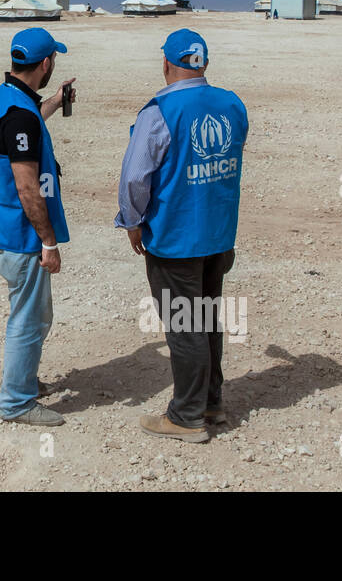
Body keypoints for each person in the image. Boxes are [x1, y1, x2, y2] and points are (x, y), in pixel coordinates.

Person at [114, 29, 248, 443]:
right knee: (207, 318)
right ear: (203, 63)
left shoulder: (160, 111)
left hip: (176, 237)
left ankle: (186, 416)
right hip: (218, 233)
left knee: (185, 324)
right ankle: (211, 402)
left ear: (167, 63)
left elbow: (136, 177)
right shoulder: (232, 104)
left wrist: (132, 220)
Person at [0, 27, 75, 426]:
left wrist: (55, 102)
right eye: (54, 61)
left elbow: (19, 131)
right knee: (30, 318)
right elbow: (28, 187)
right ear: (45, 64)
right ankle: (17, 401)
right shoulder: (20, 116)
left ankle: (24, 378)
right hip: (21, 233)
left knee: (27, 312)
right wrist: (48, 241)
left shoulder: (6, 99)